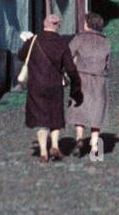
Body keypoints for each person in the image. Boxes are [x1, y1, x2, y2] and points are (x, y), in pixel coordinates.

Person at [18, 14, 82, 163]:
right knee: (55, 116)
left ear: (43, 23)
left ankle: (43, 152)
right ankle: (54, 144)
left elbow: (21, 56)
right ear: (57, 26)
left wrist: (26, 43)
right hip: (55, 85)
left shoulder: (34, 41)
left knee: (41, 119)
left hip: (36, 85)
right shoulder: (62, 43)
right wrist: (76, 85)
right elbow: (70, 68)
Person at [66, 11, 111, 161]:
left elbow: (68, 55)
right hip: (99, 79)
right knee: (96, 110)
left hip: (81, 77)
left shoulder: (79, 39)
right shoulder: (106, 42)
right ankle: (95, 145)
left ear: (88, 24)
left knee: (80, 108)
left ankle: (79, 140)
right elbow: (107, 64)